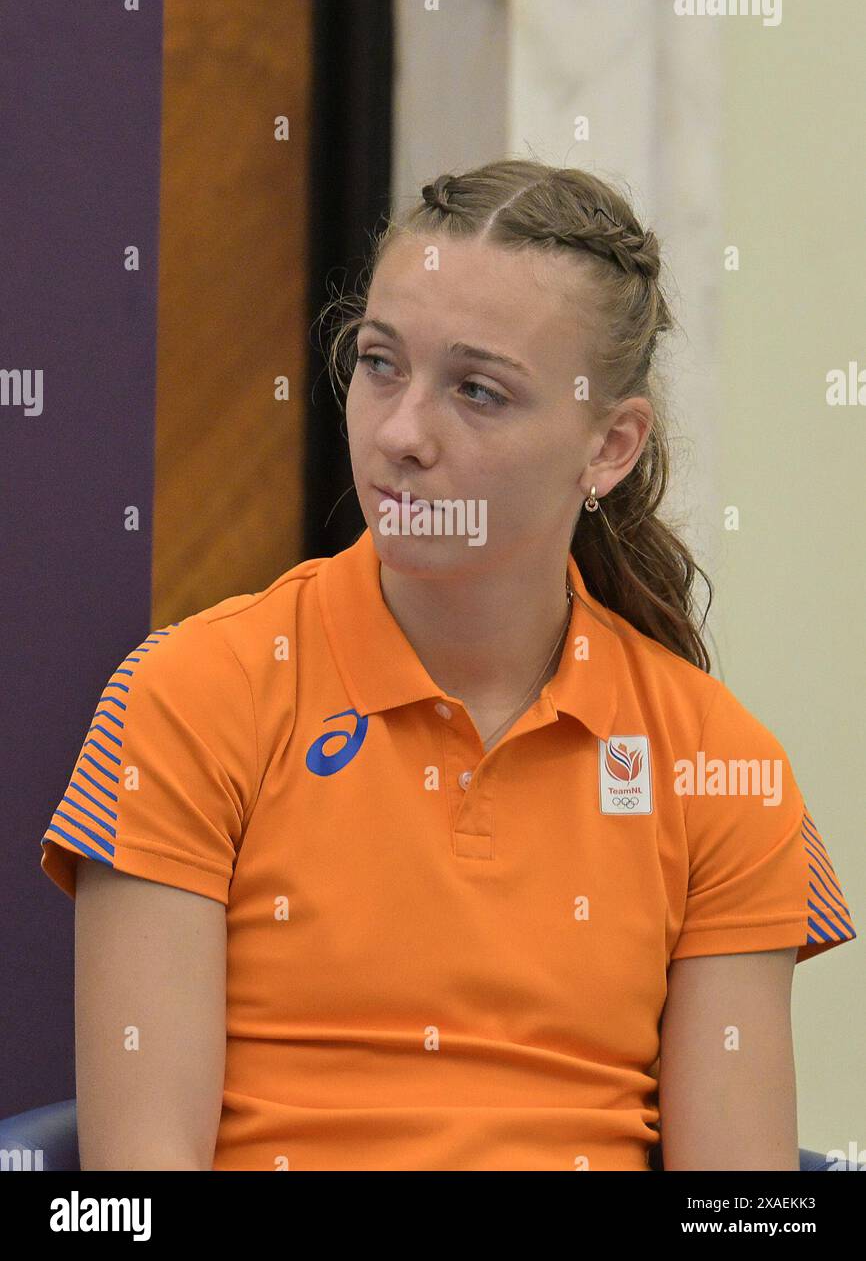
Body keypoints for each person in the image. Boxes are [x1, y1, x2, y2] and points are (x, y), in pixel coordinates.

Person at [40, 160, 856, 1171]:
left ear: (608, 446)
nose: (398, 434)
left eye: (477, 390)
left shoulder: (721, 765)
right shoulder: (186, 695)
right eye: (380, 363)